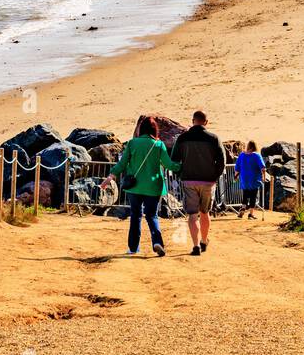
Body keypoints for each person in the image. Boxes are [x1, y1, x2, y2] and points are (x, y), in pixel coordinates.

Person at [106, 117, 179, 257]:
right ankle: (157, 242)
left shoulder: (133, 143)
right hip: (153, 187)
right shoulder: (159, 145)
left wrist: (111, 176)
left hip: (134, 187)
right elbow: (169, 165)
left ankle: (133, 248)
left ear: (141, 129)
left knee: (135, 216)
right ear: (154, 130)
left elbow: (122, 164)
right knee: (152, 216)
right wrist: (181, 166)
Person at [170, 110, 226, 256]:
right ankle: (204, 240)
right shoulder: (214, 138)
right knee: (205, 212)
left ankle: (195, 246)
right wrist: (215, 176)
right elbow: (222, 161)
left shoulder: (182, 138)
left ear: (193, 120)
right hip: (208, 181)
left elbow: (174, 160)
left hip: (189, 181)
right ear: (206, 122)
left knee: (192, 215)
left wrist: (180, 174)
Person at [234, 141, 266, 218]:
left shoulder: (241, 155)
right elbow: (263, 167)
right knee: (253, 196)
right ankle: (251, 214)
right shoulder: (256, 155)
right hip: (254, 178)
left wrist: (235, 176)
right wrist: (263, 177)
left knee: (245, 195)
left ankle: (243, 207)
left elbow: (237, 167)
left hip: (244, 179)